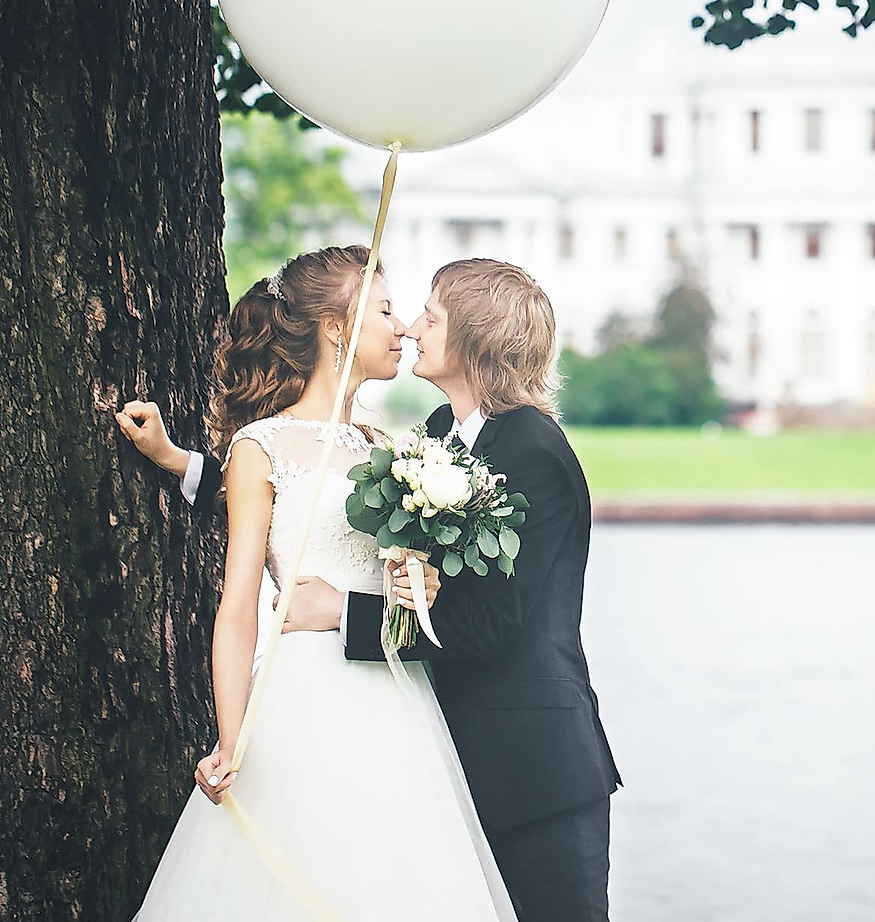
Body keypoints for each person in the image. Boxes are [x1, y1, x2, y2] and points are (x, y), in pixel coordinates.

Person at [121, 258, 620, 922]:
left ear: (474, 340)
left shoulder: (532, 449)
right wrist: (179, 462)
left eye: (428, 317)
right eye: (394, 311)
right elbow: (308, 500)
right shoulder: (432, 437)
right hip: (406, 733)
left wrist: (341, 610)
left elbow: (489, 623)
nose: (410, 328)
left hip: (532, 764)